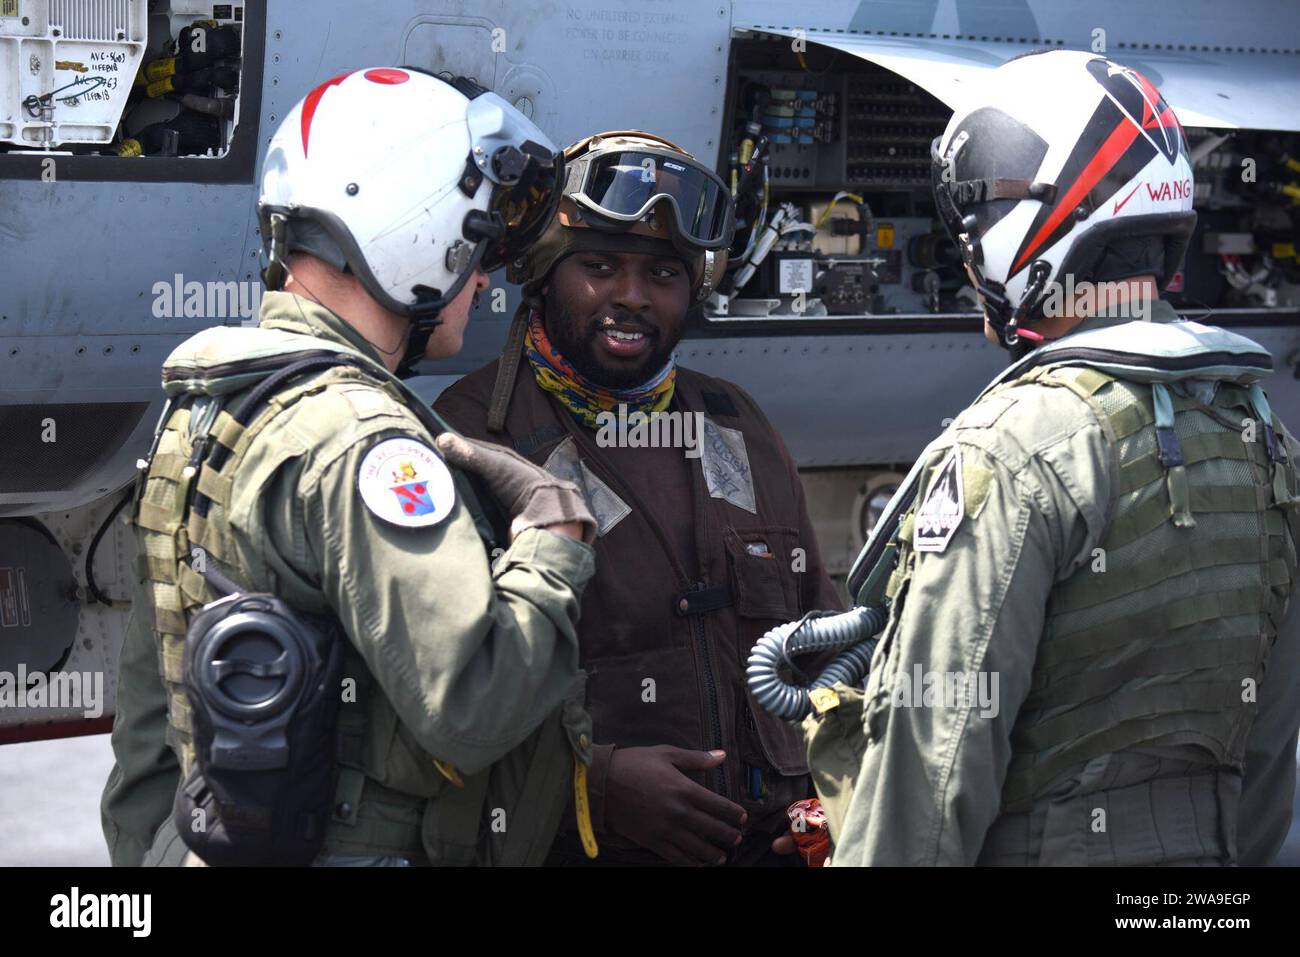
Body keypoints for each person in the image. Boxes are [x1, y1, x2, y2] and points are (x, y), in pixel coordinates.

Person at [101, 68, 601, 867]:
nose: (481, 279)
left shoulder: (209, 410)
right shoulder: (364, 440)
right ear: (413, 233)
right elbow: (470, 707)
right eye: (473, 247)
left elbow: (150, 722)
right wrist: (554, 539)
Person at [818, 50, 1300, 866]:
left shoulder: (1012, 449)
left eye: (972, 226)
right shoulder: (1262, 439)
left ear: (1035, 220)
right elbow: (1266, 763)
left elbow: (929, 787)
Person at [435, 131, 843, 866]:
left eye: (662, 274)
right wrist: (594, 782)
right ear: (543, 274)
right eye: (598, 266)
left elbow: (825, 636)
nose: (632, 296)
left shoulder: (735, 421)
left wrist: (832, 797)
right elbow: (436, 696)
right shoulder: (471, 439)